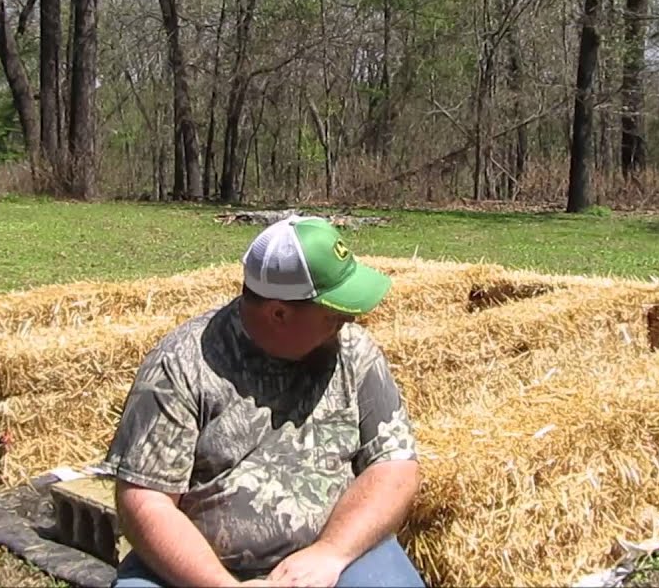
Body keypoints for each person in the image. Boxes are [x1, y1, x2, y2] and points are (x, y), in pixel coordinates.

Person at [104, 215, 424, 588]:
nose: (349, 318)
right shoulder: (180, 365)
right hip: (196, 570)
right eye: (334, 311)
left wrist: (330, 553)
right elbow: (145, 501)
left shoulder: (354, 352)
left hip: (338, 555)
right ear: (278, 313)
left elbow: (395, 466)